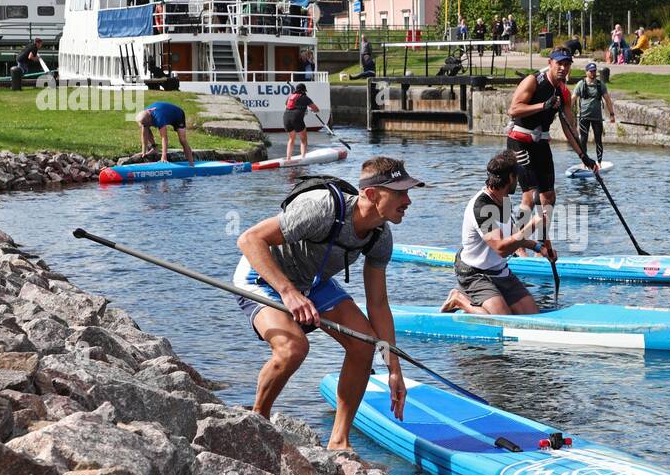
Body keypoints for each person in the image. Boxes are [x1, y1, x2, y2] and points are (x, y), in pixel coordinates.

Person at [234, 157, 424, 446]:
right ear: (372, 194)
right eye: (400, 193)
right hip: (265, 278)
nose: (408, 200)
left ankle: (338, 441)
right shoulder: (322, 208)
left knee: (363, 343)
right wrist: (288, 292)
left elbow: (378, 305)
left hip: (313, 282)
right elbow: (249, 240)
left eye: (408, 192)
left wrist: (394, 369)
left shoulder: (380, 237)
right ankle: (258, 420)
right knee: (293, 348)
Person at [440, 150, 549, 316]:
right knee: (500, 318)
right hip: (474, 274)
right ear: (510, 178)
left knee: (531, 313)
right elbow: (501, 248)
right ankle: (459, 299)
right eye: (517, 177)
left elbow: (511, 235)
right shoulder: (482, 207)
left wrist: (537, 246)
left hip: (500, 270)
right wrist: (532, 225)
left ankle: (495, 300)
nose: (519, 181)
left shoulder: (504, 198)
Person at [507, 48, 598, 220]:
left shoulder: (563, 92)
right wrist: (543, 105)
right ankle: (519, 244)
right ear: (550, 63)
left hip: (540, 143)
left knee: (548, 197)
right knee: (531, 195)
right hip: (520, 141)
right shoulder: (533, 81)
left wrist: (583, 156)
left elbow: (568, 128)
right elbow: (513, 110)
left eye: (567, 64)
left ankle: (542, 243)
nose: (563, 68)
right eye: (559, 64)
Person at [572, 61, 615, 164]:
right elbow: (573, 99)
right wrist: (569, 113)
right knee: (583, 140)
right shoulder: (581, 84)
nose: (593, 73)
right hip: (584, 118)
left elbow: (607, 100)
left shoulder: (601, 85)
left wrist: (612, 114)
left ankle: (599, 162)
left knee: (598, 140)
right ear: (586, 72)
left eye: (594, 71)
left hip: (597, 118)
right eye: (591, 71)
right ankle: (584, 162)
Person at [135, 101, 196, 165]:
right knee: (145, 128)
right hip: (164, 114)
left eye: (145, 123)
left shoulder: (159, 118)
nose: (143, 126)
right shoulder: (144, 115)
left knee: (182, 140)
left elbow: (164, 137)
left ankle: (191, 163)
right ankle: (154, 148)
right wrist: (143, 151)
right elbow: (144, 134)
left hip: (178, 115)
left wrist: (164, 156)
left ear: (150, 119)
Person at [283, 83, 319, 162]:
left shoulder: (289, 97)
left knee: (291, 139)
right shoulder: (305, 98)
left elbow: (288, 105)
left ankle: (288, 158)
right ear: (303, 91)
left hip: (286, 117)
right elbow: (316, 109)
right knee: (303, 140)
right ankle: (303, 158)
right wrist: (310, 108)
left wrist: (304, 107)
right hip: (296, 118)